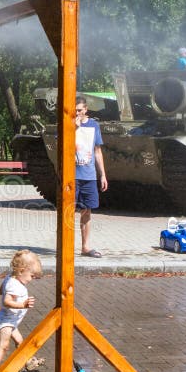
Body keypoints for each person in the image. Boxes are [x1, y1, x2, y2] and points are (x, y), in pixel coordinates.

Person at [0, 250, 43, 372]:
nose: (32, 279)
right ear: (22, 271)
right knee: (4, 345)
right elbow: (6, 302)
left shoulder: (10, 277)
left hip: (11, 321)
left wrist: (4, 290)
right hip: (5, 322)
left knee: (20, 342)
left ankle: (27, 362)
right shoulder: (15, 285)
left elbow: (1, 291)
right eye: (32, 276)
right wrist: (23, 305)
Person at [74, 97, 108, 258]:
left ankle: (85, 247)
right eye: (75, 110)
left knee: (87, 211)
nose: (77, 113)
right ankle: (64, 246)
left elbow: (97, 151)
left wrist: (102, 175)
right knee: (67, 211)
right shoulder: (68, 124)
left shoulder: (94, 125)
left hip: (89, 175)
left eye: (80, 110)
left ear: (86, 109)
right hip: (71, 176)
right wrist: (73, 127)